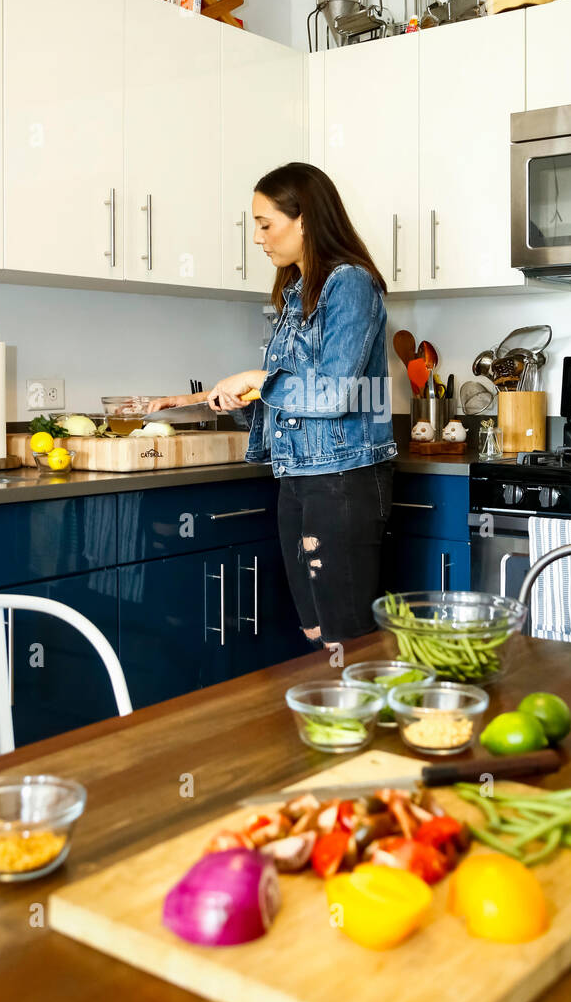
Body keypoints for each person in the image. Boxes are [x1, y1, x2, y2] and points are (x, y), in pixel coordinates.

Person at [149, 162, 396, 649]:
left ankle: (360, 722)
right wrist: (236, 400)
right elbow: (293, 395)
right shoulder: (294, 293)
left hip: (343, 480)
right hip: (298, 478)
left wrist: (258, 379)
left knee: (345, 638)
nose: (258, 238)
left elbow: (333, 393)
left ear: (303, 218)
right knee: (315, 628)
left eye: (265, 224)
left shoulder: (350, 283)